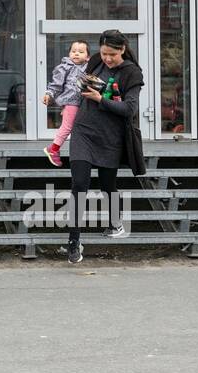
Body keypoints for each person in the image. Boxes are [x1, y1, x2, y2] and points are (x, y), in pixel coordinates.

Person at [64, 30, 145, 265]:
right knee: (79, 184)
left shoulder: (132, 72)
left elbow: (130, 109)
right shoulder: (96, 60)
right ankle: (73, 241)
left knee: (108, 184)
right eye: (104, 52)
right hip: (84, 130)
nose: (107, 58)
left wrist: (100, 99)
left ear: (122, 50)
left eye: (112, 54)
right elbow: (86, 82)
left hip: (111, 137)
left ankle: (115, 221)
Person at [42, 39, 90, 167]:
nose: (76, 54)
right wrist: (49, 94)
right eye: (73, 51)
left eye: (81, 51)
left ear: (87, 56)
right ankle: (53, 149)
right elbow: (56, 85)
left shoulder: (89, 67)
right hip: (71, 102)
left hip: (84, 103)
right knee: (67, 127)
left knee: (80, 127)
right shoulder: (64, 67)